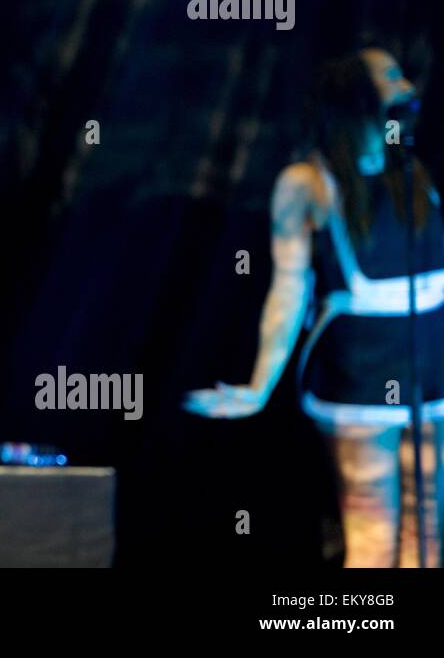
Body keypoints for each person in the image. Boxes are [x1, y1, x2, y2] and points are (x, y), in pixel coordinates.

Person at [186, 47, 444, 567]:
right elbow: (289, 287)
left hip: (431, 372)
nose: (406, 85)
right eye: (391, 76)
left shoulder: (410, 169)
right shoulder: (307, 183)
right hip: (360, 374)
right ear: (357, 93)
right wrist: (260, 386)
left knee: (429, 532)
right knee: (373, 534)